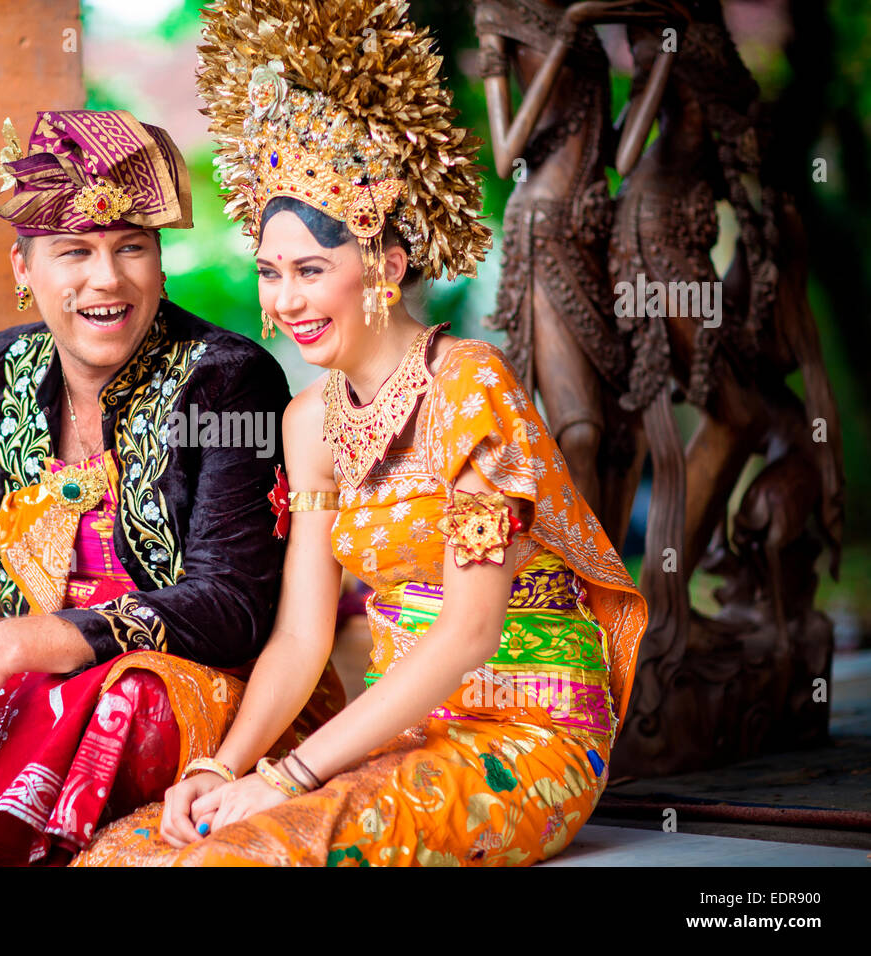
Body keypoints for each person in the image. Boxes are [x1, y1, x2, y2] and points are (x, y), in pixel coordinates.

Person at [73, 0, 648, 867]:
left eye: (311, 270)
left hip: (528, 738)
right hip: (391, 735)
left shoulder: (472, 389)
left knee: (257, 852)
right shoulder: (309, 424)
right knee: (130, 850)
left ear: (386, 264)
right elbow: (304, 636)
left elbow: (469, 633)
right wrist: (221, 765)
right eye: (270, 273)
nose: (286, 301)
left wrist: (289, 777)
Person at [0, 108, 341, 867]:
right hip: (37, 698)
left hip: (187, 697)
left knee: (126, 700)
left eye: (131, 247)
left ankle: (0, 833)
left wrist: (17, 642)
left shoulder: (228, 380)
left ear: (160, 262)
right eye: (74, 250)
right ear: (23, 268)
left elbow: (231, 607)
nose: (107, 279)